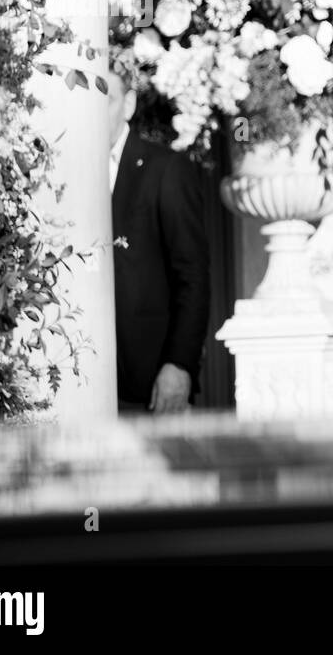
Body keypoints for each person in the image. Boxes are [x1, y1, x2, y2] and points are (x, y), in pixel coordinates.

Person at [107, 68, 210, 414]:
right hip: (83, 387)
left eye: (106, 100)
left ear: (128, 104)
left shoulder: (165, 169)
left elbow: (192, 276)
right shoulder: (65, 169)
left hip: (149, 384)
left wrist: (180, 365)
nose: (95, 114)